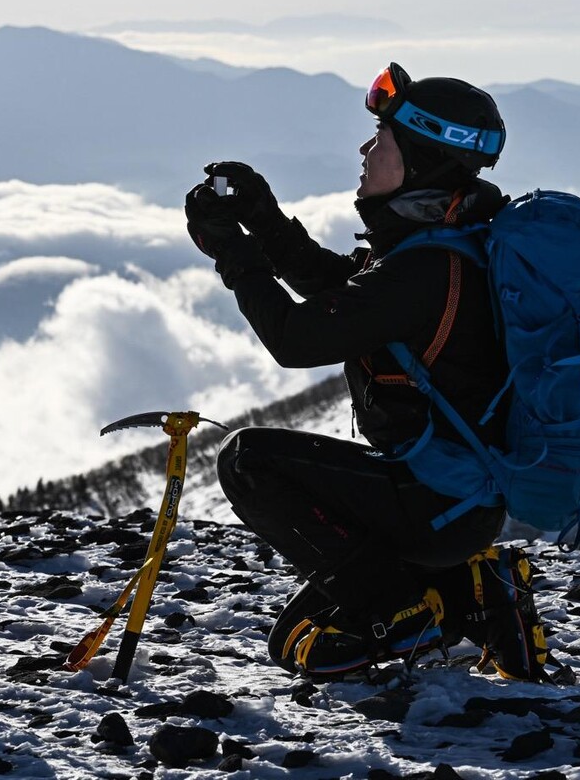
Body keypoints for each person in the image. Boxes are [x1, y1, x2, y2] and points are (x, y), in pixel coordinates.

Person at [184, 63, 545, 679]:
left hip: (429, 504)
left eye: (383, 140)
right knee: (292, 637)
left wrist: (236, 257)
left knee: (248, 460)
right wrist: (265, 222)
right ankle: (474, 590)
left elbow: (297, 339)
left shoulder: (425, 268)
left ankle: (404, 611)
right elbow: (342, 290)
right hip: (456, 506)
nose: (365, 149)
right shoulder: (453, 240)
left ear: (422, 158)